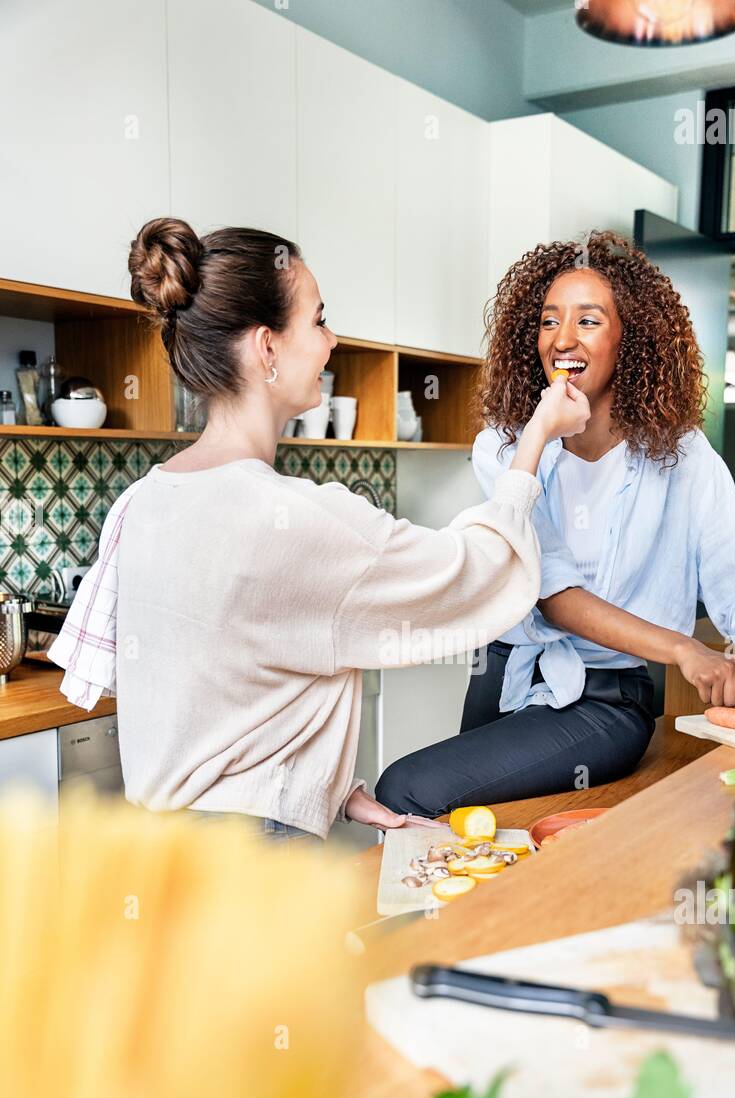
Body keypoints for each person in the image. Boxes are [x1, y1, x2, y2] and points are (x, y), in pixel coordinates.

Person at [72, 217, 590, 840]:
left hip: (165, 857)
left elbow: (215, 699)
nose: (331, 339)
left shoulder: (143, 503)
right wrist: (535, 437)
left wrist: (331, 790)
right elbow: (477, 572)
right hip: (252, 861)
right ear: (267, 347)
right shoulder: (295, 519)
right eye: (318, 320)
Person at [375, 232, 735, 819]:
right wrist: (684, 650)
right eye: (549, 322)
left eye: (589, 321)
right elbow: (553, 595)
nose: (563, 340)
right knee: (470, 835)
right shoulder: (506, 447)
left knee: (406, 791)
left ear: (633, 339)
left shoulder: (685, 457)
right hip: (503, 681)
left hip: (603, 704)